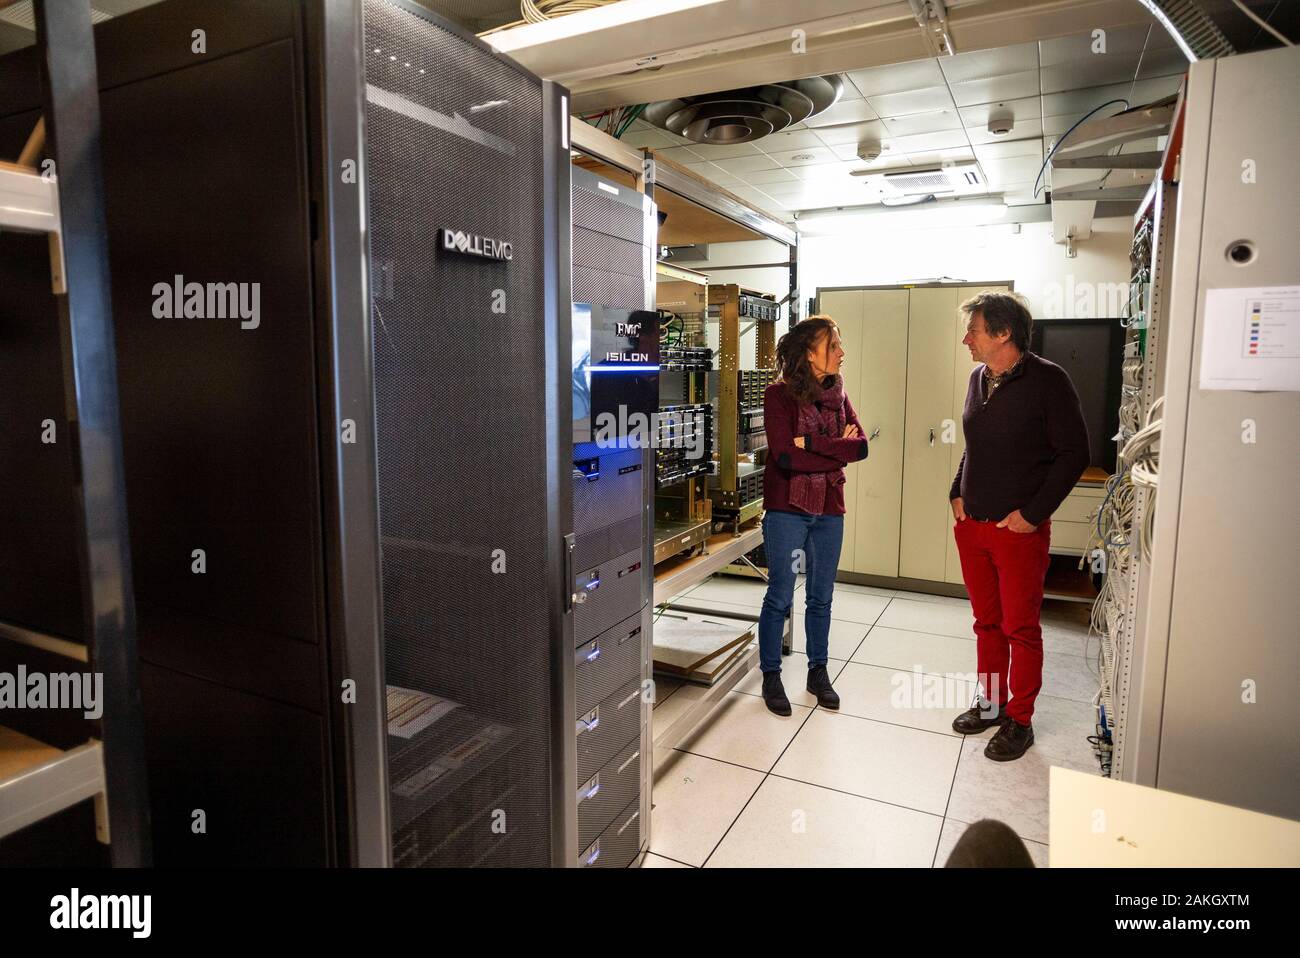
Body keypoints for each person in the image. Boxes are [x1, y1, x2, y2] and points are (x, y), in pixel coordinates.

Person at [949, 292, 1089, 760]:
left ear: (1004, 333)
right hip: (973, 527)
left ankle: (1020, 720)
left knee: (1020, 628)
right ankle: (990, 704)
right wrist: (956, 490)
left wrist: (1032, 514)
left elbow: (1074, 455)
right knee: (986, 623)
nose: (966, 338)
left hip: (1017, 532)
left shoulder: (1049, 381)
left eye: (975, 330)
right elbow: (975, 446)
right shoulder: (978, 378)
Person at [757, 316, 869, 716]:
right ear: (810, 352)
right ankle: (771, 675)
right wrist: (837, 446)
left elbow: (862, 449)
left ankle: (817, 672)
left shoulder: (840, 395)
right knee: (781, 596)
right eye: (833, 344)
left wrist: (816, 443)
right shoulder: (779, 396)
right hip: (788, 509)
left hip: (829, 509)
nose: (841, 352)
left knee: (821, 597)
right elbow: (785, 455)